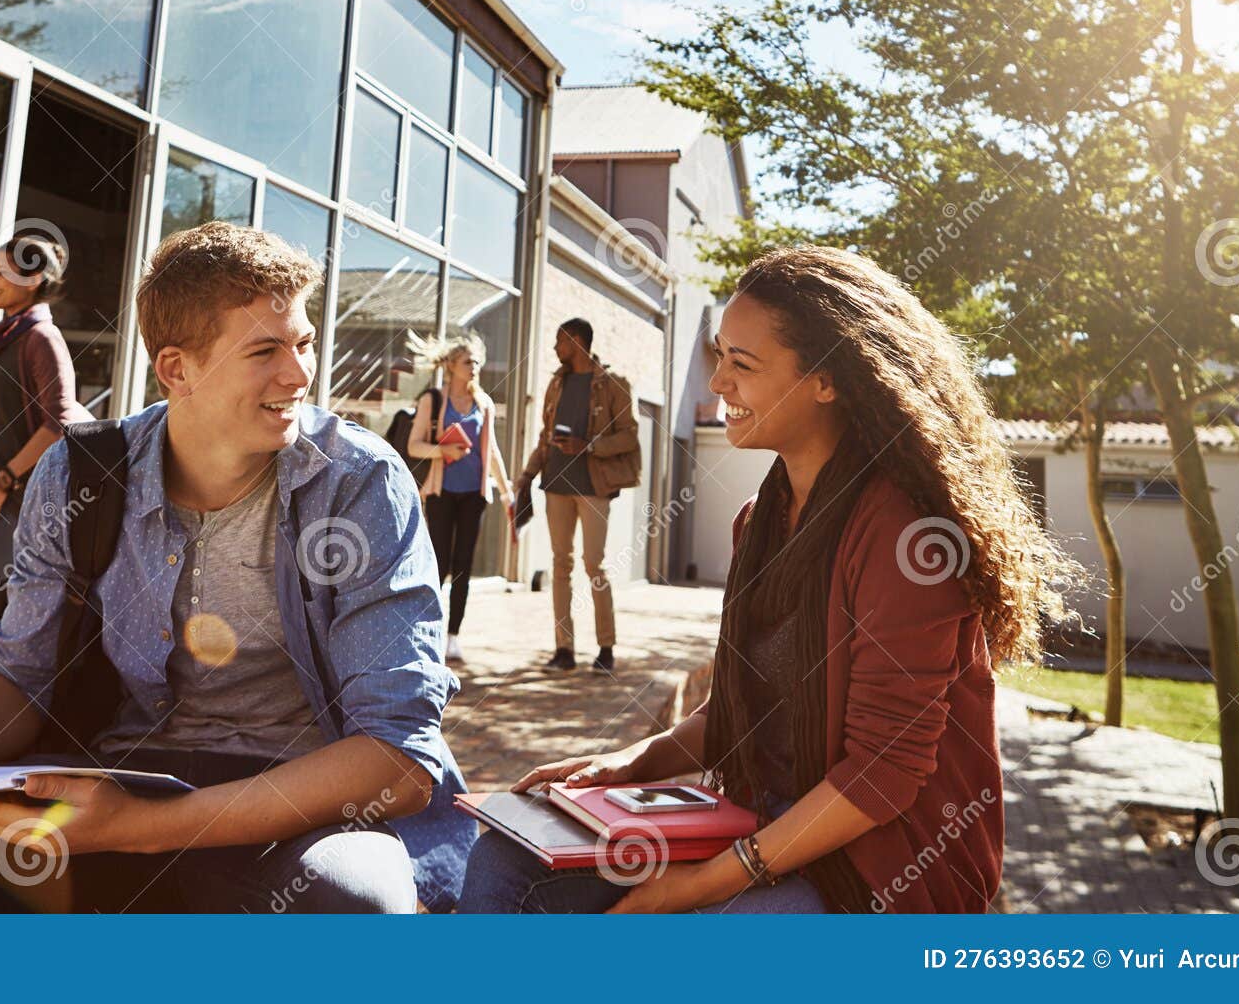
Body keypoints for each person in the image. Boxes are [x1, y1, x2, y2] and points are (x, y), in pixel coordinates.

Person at [0, 221, 470, 914]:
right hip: (116, 780)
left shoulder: (358, 483)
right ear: (176, 368)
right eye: (265, 350)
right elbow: (21, 679)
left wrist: (139, 830)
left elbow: (399, 762)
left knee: (352, 905)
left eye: (304, 343)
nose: (299, 373)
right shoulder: (81, 473)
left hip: (291, 805)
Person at [461, 246, 1072, 914]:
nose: (719, 382)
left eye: (741, 364)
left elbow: (882, 775)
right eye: (720, 356)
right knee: (507, 859)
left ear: (830, 380)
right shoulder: (762, 521)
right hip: (759, 819)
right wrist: (630, 764)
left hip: (881, 862)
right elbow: (744, 710)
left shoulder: (907, 539)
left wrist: (702, 883)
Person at [0, 234, 89, 655]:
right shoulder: (0, 337)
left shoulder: (41, 337)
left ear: (34, 278)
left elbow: (59, 423)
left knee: (0, 612)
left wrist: (3, 480)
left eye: (1, 271)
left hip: (5, 496)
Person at [515, 318, 640, 674]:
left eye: (559, 341)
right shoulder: (558, 382)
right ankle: (564, 650)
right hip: (556, 484)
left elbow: (629, 437)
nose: (555, 348)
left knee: (593, 564)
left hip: (593, 487)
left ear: (577, 340)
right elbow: (545, 435)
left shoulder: (613, 384)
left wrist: (588, 446)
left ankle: (605, 648)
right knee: (560, 565)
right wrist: (527, 474)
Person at [405, 332, 515, 664]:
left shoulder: (484, 403)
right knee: (437, 564)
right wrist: (443, 450)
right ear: (452, 365)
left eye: (478, 361)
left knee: (463, 566)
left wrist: (506, 489)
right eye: (468, 361)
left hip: (474, 496)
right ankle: (429, 633)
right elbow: (413, 446)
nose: (475, 367)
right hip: (441, 494)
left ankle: (453, 636)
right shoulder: (433, 401)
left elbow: (491, 450)